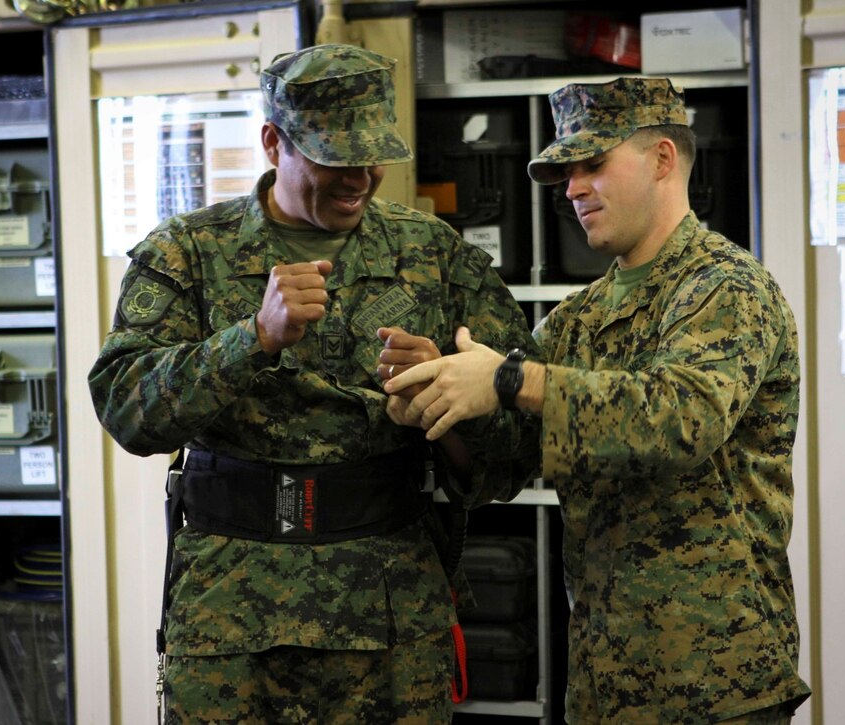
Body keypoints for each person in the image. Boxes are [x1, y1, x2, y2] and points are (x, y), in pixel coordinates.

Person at [88, 43, 540, 723]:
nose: (361, 178)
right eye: (336, 159)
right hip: (230, 619)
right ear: (274, 143)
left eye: (373, 157)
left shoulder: (435, 257)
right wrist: (253, 339)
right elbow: (127, 409)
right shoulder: (187, 253)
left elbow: (515, 454)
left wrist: (445, 405)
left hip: (388, 616)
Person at [384, 77, 813, 724]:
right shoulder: (577, 319)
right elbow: (505, 467)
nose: (574, 188)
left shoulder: (727, 289)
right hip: (605, 682)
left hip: (719, 683)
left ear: (663, 159)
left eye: (593, 165)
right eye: (565, 174)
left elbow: (677, 419)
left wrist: (506, 379)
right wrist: (441, 400)